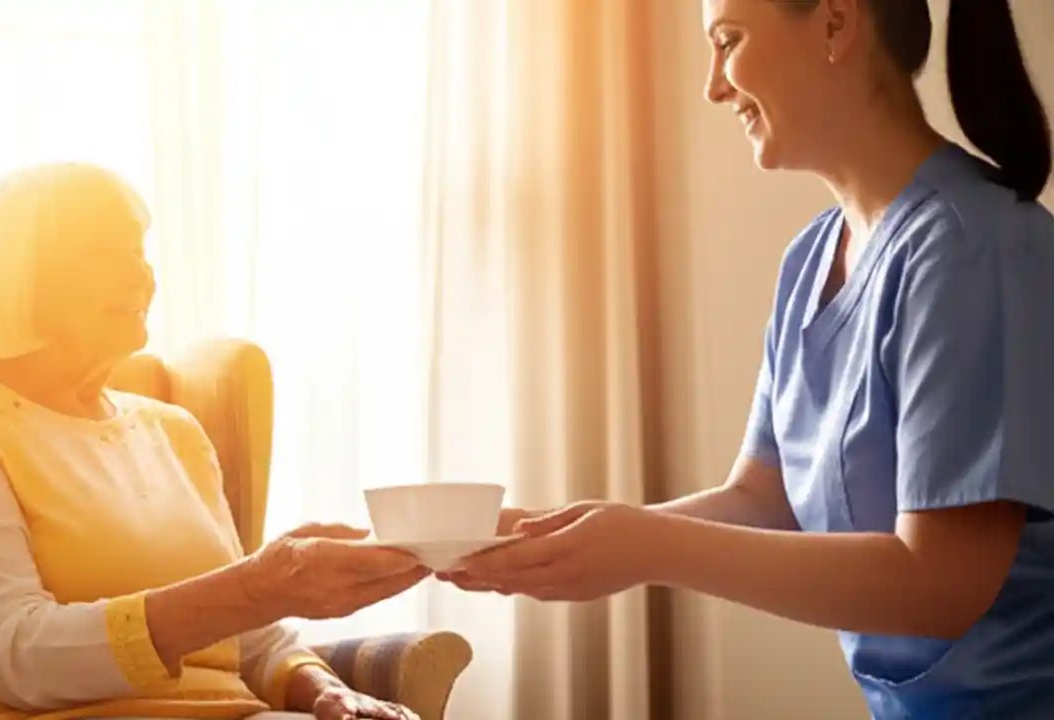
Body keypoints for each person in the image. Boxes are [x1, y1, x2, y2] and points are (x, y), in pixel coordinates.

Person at [444, 0, 1054, 717]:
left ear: (835, 24)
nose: (713, 86)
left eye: (728, 42)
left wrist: (642, 545)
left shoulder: (974, 248)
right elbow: (765, 500)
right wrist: (562, 534)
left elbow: (942, 585)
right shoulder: (811, 260)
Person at [0, 163, 426, 720]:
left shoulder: (174, 431)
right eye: (103, 252)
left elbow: (248, 638)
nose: (142, 276)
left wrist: (324, 688)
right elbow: (11, 654)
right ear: (18, 276)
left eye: (138, 252)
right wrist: (254, 587)